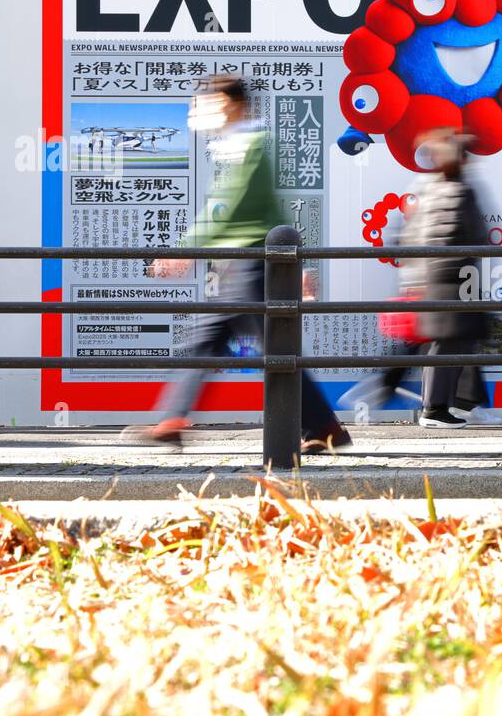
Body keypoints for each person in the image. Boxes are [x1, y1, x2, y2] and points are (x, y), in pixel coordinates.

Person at [129, 76, 350, 456]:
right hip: (243, 262)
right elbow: (263, 210)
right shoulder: (237, 146)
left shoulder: (252, 145)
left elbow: (233, 209)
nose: (200, 111)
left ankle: (324, 426)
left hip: (251, 263)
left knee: (265, 348)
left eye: (209, 102)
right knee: (222, 342)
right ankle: (174, 420)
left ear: (231, 104)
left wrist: (185, 250)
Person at [403, 128, 493, 429]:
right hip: (459, 276)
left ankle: (442, 406)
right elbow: (479, 236)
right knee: (453, 344)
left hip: (434, 273)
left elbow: (414, 236)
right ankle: (436, 410)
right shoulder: (461, 191)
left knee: (445, 344)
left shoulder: (431, 189)